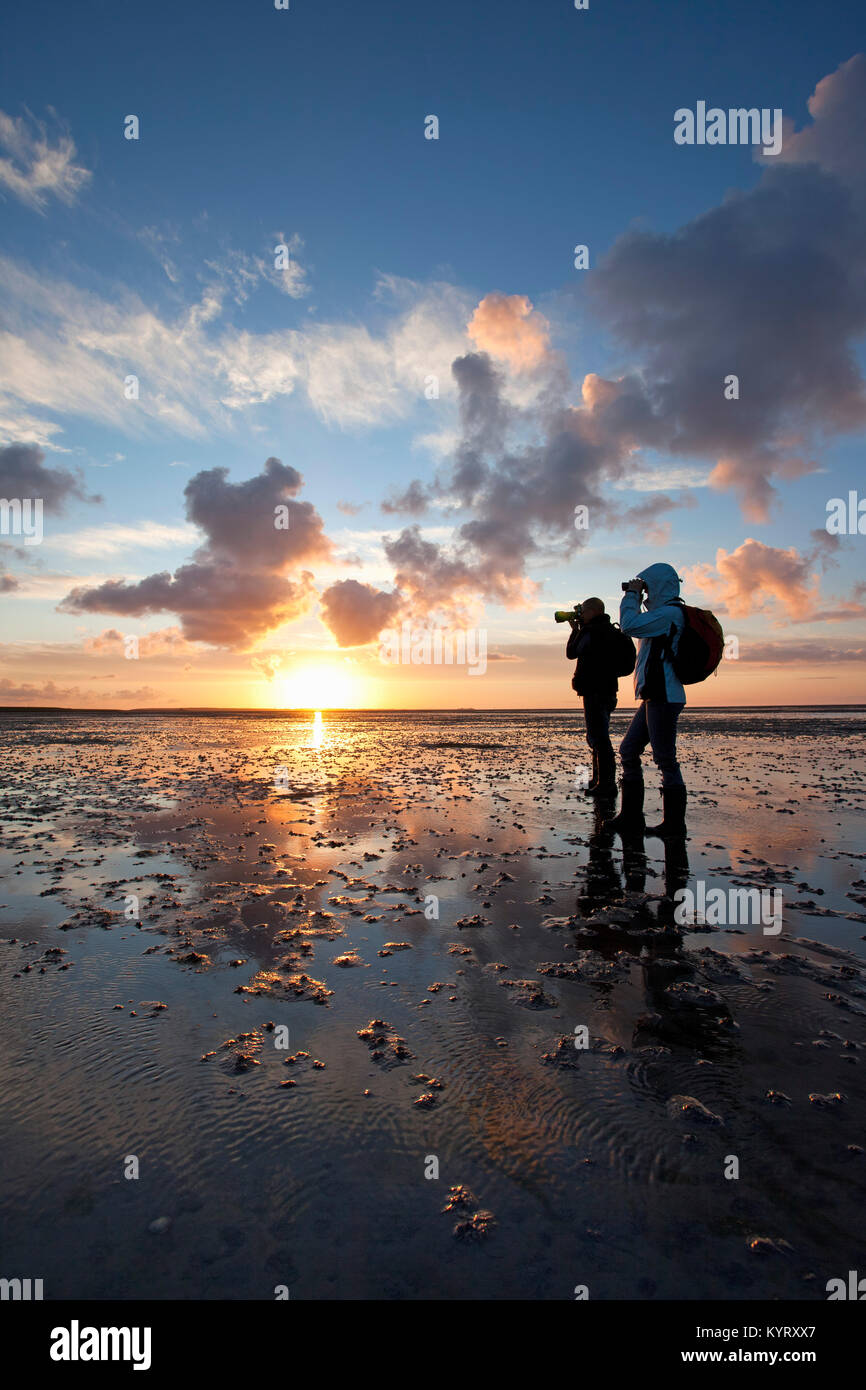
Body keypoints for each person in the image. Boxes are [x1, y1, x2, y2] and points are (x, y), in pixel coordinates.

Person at [604, 562, 687, 839]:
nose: (643, 592)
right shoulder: (663, 614)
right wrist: (637, 596)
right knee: (628, 749)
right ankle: (631, 816)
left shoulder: (670, 614)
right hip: (655, 694)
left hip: (664, 695)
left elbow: (628, 625)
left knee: (665, 759)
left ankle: (674, 824)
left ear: (657, 587)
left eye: (646, 586)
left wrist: (631, 596)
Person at [566, 597, 618, 797]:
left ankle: (605, 784)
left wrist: (575, 631)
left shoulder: (592, 631)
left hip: (595, 691)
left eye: (584, 611)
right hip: (608, 690)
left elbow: (572, 653)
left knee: (599, 738)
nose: (582, 615)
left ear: (595, 611)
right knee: (598, 736)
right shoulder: (609, 630)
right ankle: (599, 780)